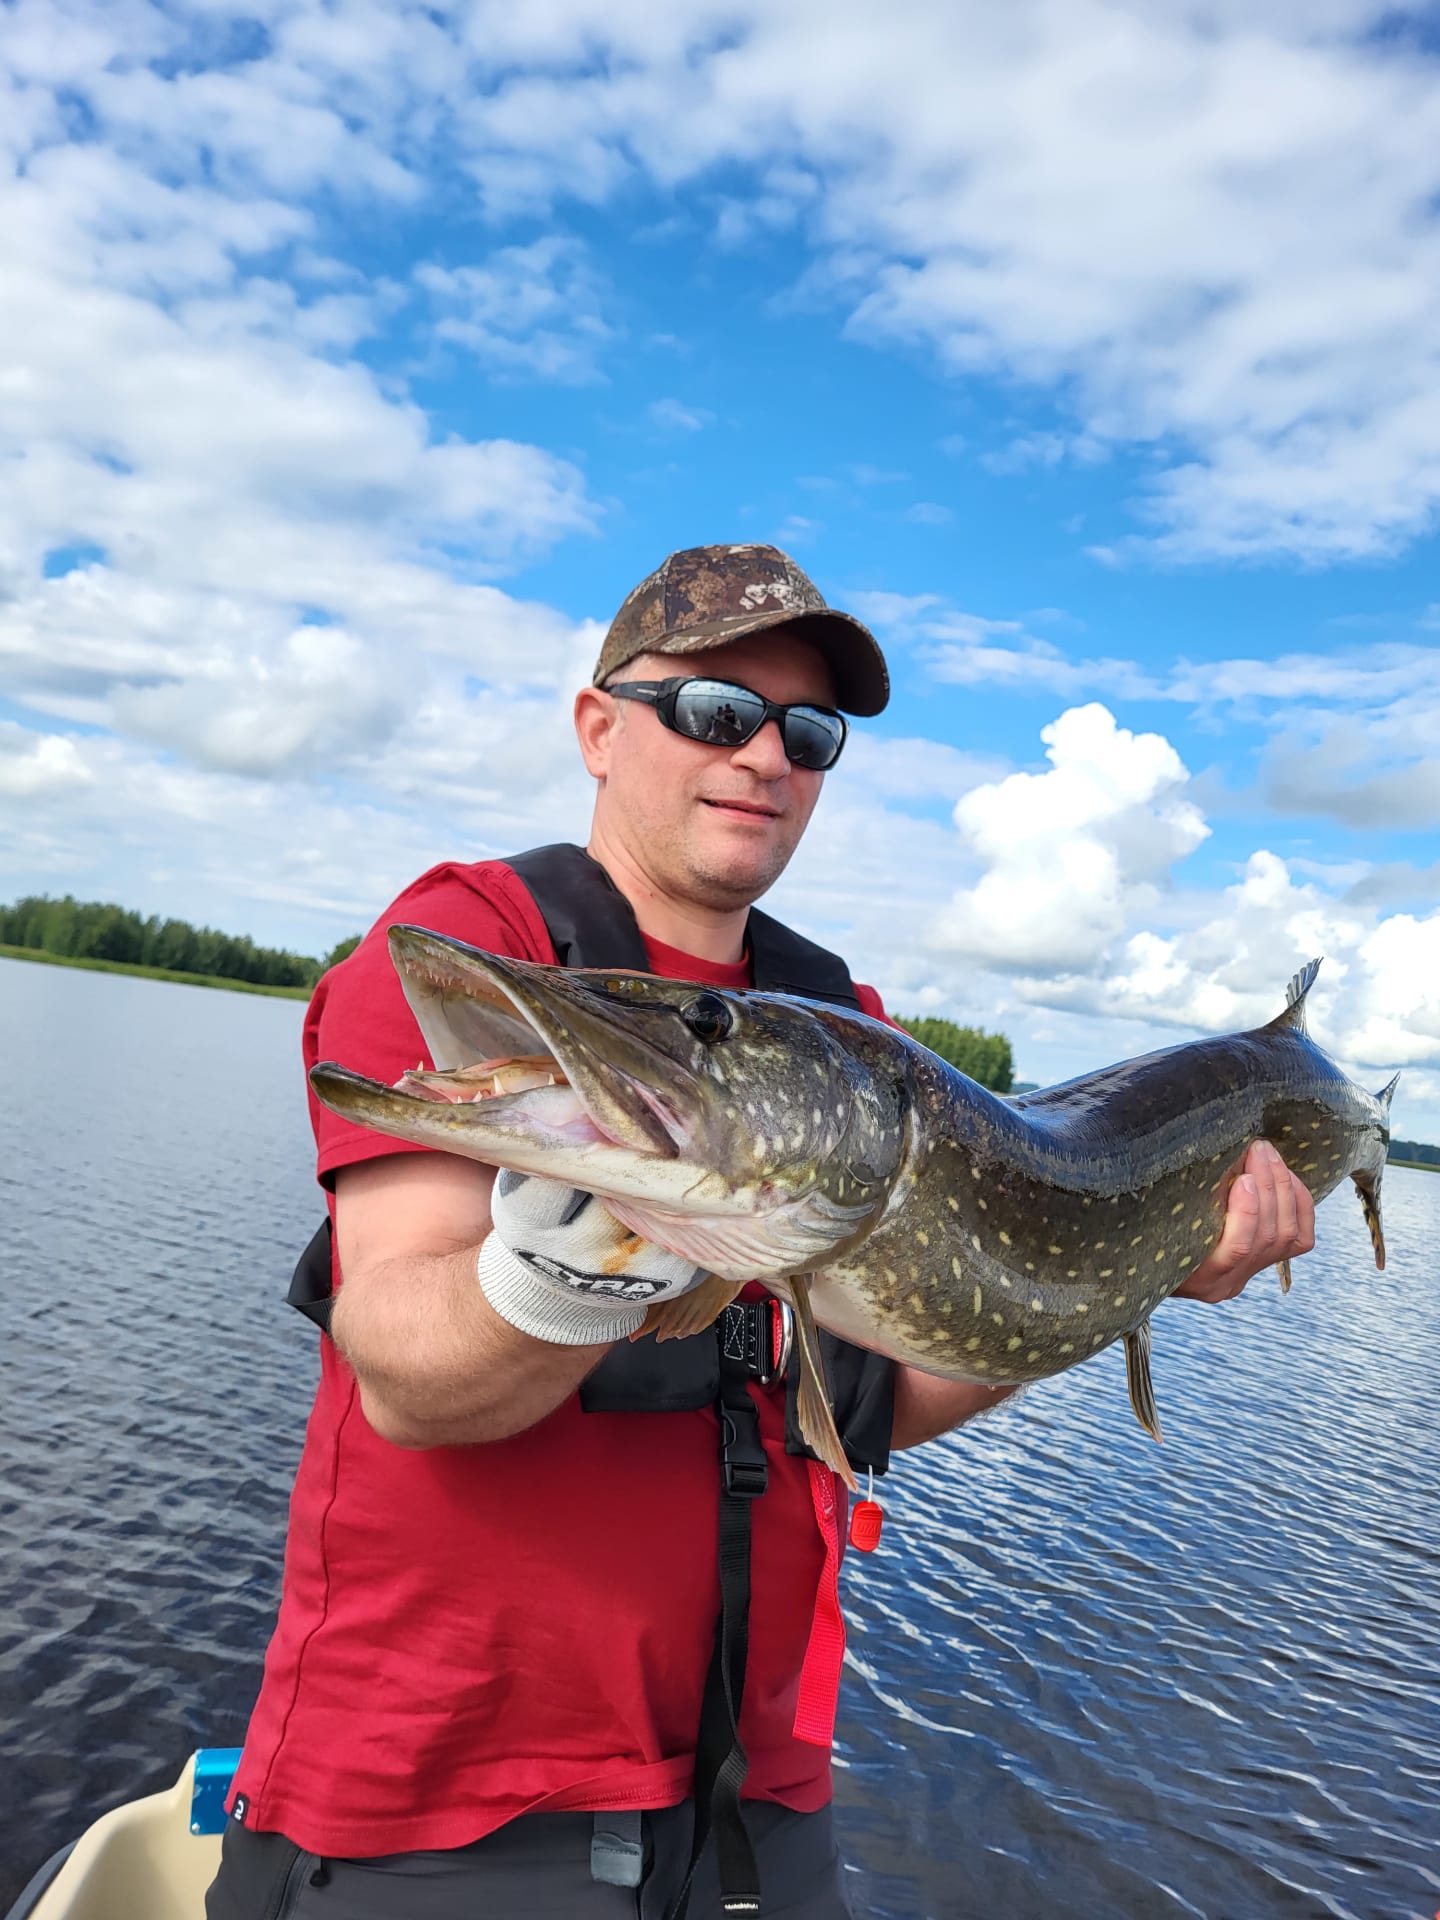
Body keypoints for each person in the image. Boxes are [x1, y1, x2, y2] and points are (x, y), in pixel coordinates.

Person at [206, 543, 1315, 1920]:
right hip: (451, 1806)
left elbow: (886, 1392)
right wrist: (578, 1253)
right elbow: (409, 1370)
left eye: (808, 732)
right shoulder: (472, 946)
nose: (766, 757)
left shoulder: (840, 1026)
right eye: (715, 711)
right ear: (598, 729)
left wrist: (1128, 1272)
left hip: (757, 1806)